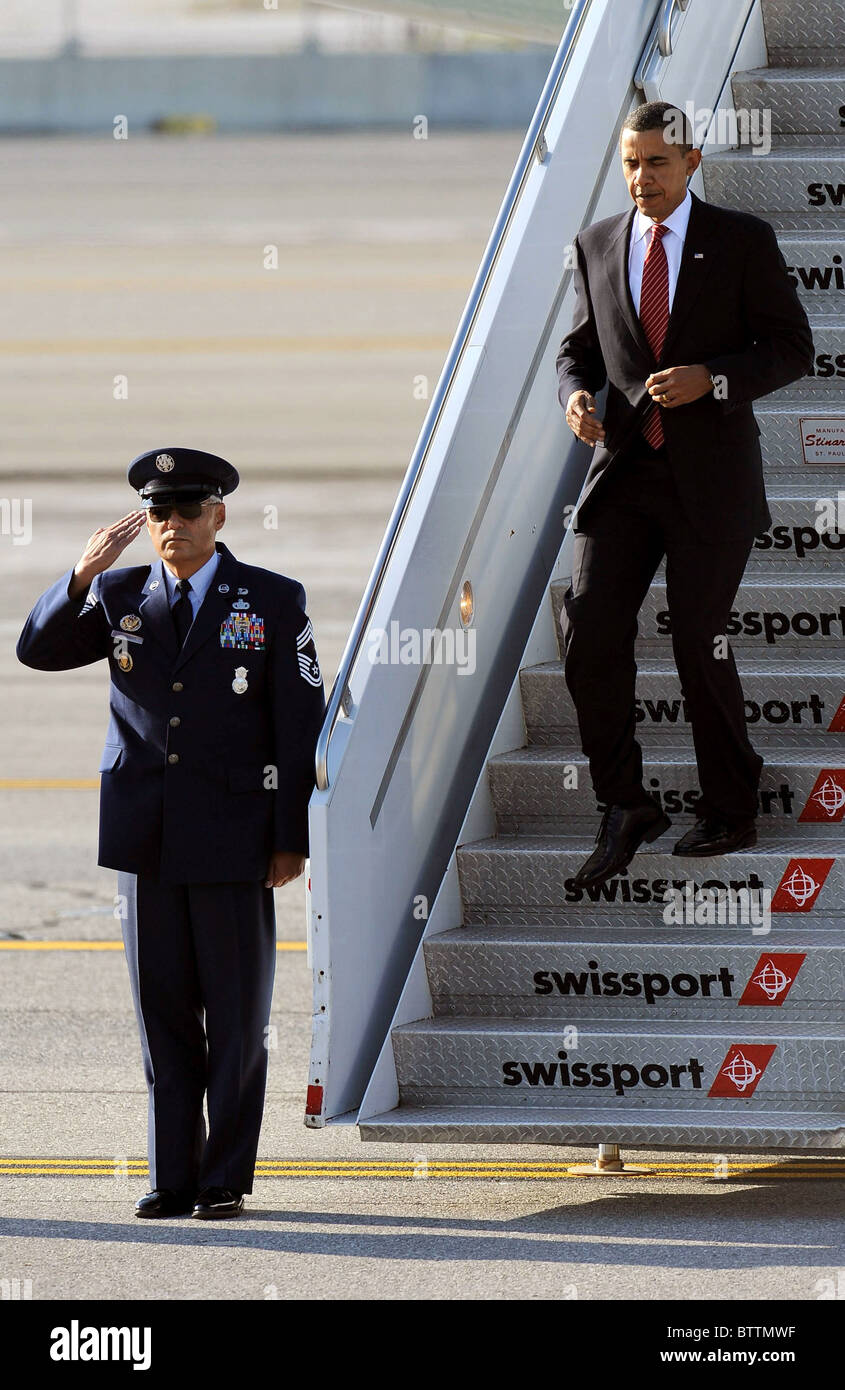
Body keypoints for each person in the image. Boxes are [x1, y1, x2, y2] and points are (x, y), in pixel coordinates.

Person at [16, 447, 326, 1219]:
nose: (173, 525)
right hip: (144, 834)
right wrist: (81, 576)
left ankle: (223, 1177)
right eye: (159, 513)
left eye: (189, 510)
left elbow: (299, 725)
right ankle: (172, 1174)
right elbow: (37, 651)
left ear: (218, 516)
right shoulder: (121, 593)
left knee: (237, 1015)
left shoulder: (271, 599)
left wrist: (292, 837)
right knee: (162, 1013)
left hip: (233, 834)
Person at [555, 100, 814, 891]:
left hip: (710, 480)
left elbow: (792, 348)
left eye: (657, 164)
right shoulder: (597, 243)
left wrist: (716, 379)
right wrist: (574, 395)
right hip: (627, 473)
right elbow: (579, 347)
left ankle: (730, 806)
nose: (641, 179)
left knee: (697, 641)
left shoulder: (741, 240)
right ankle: (624, 802)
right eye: (631, 164)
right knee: (589, 628)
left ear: (691, 162)